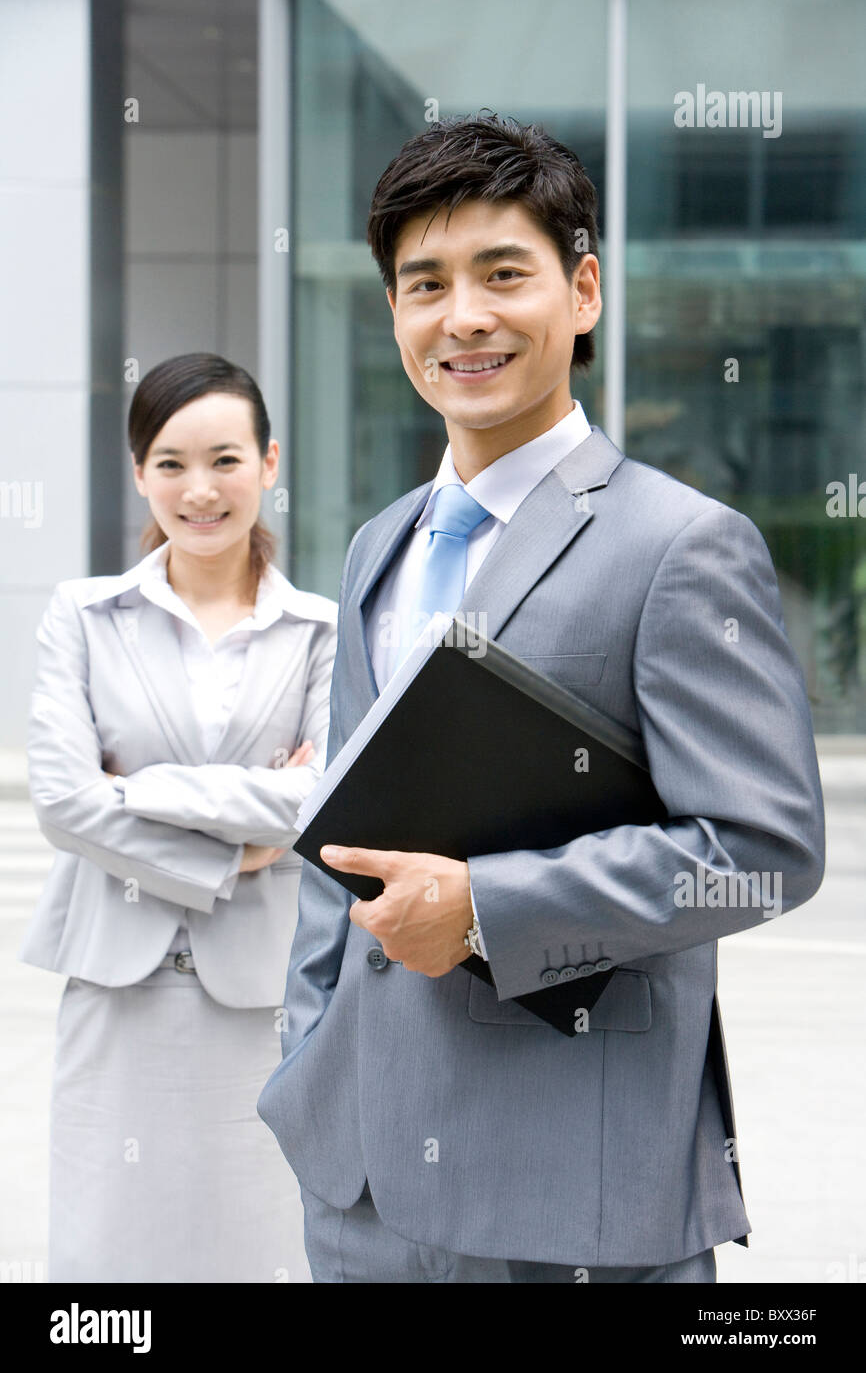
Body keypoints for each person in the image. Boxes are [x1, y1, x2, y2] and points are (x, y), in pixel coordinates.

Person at [257, 114, 825, 1284]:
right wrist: (305, 1047)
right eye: (424, 284)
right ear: (394, 315)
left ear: (582, 291)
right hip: (357, 1178)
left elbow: (760, 848)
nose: (461, 316)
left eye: (501, 274)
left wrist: (482, 911)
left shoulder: (679, 546)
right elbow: (343, 826)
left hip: (566, 1188)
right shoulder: (379, 545)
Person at [22, 352, 337, 1282]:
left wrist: (138, 788)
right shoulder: (83, 615)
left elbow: (314, 800)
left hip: (265, 994)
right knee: (109, 1247)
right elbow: (63, 802)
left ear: (270, 464)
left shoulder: (321, 629)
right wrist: (230, 853)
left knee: (261, 1239)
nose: (199, 489)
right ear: (139, 472)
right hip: (116, 980)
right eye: (170, 462)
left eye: (226, 460)